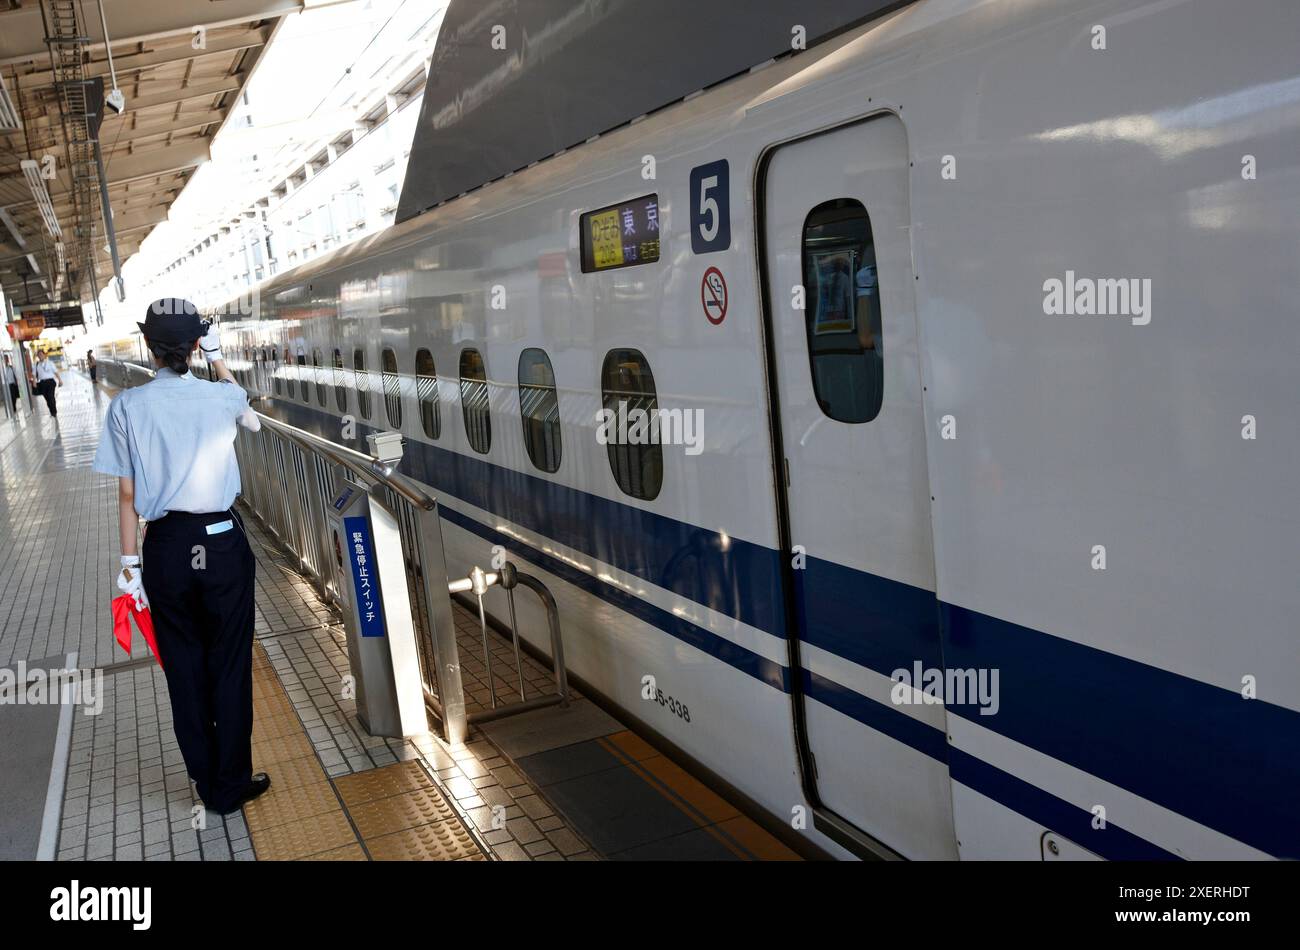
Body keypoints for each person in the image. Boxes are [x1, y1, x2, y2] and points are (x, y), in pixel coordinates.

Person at [92, 299, 270, 816]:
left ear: (148, 346)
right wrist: (217, 358)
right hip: (220, 545)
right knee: (230, 664)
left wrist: (130, 565)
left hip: (167, 549)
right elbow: (251, 418)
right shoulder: (221, 397)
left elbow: (127, 498)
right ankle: (232, 783)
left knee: (184, 668)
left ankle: (205, 780)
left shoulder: (126, 407)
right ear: (195, 344)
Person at [32, 349, 61, 416]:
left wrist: (60, 380)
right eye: (39, 355)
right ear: (37, 356)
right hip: (42, 383)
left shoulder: (50, 363)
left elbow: (55, 372)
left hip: (50, 382)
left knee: (51, 397)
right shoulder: (36, 364)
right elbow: (34, 374)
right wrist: (34, 382)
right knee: (47, 399)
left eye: (41, 354)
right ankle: (52, 410)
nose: (40, 356)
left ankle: (54, 412)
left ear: (44, 355)